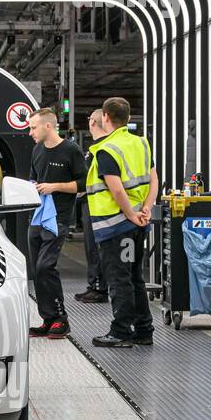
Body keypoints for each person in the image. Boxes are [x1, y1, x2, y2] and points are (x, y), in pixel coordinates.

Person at [90, 97, 160, 348]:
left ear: (106, 117)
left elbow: (116, 189)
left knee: (119, 278)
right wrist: (146, 209)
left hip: (117, 225)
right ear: (128, 117)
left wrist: (130, 213)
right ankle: (144, 329)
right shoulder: (141, 143)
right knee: (134, 277)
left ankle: (121, 331)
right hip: (138, 223)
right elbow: (154, 179)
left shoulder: (107, 149)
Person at [26, 108, 87, 339]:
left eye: (33, 127)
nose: (30, 132)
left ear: (48, 126)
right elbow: (33, 177)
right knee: (36, 270)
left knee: (45, 266)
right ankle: (48, 319)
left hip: (58, 218)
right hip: (37, 216)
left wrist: (55, 186)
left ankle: (61, 318)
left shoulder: (71, 150)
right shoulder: (37, 150)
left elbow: (83, 184)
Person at [75, 109, 111, 303]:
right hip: (92, 203)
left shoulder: (101, 149)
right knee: (91, 247)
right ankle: (94, 285)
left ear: (93, 123)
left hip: (97, 204)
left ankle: (99, 287)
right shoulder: (95, 148)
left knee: (96, 247)